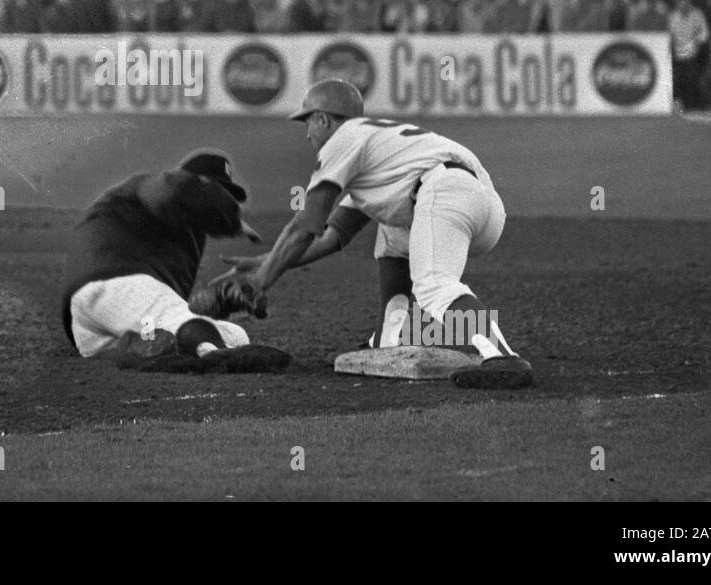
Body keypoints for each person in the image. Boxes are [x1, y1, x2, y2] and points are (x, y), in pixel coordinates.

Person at [225, 79, 532, 389]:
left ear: (323, 118)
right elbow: (330, 237)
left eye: (308, 121)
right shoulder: (378, 150)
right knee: (390, 230)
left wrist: (260, 281)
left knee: (434, 285)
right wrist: (271, 260)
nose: (307, 134)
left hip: (444, 192)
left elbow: (305, 226)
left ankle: (503, 356)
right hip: (480, 205)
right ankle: (388, 336)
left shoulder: (343, 139)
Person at [60, 151, 289, 372]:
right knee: (193, 332)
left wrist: (217, 301)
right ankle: (214, 352)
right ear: (200, 184)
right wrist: (231, 221)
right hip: (114, 282)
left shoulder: (185, 233)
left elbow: (160, 304)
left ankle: (140, 346)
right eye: (220, 191)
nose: (225, 199)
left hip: (90, 325)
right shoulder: (152, 186)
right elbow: (176, 188)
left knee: (236, 335)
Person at [668, 0, 709, 110]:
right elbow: (668, 34)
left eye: (685, 0)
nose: (683, 3)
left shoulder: (697, 14)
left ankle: (692, 106)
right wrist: (673, 46)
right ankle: (678, 104)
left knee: (691, 79)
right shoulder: (672, 16)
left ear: (689, 1)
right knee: (676, 79)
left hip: (693, 54)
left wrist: (695, 42)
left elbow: (705, 33)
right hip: (676, 54)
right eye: (680, 0)